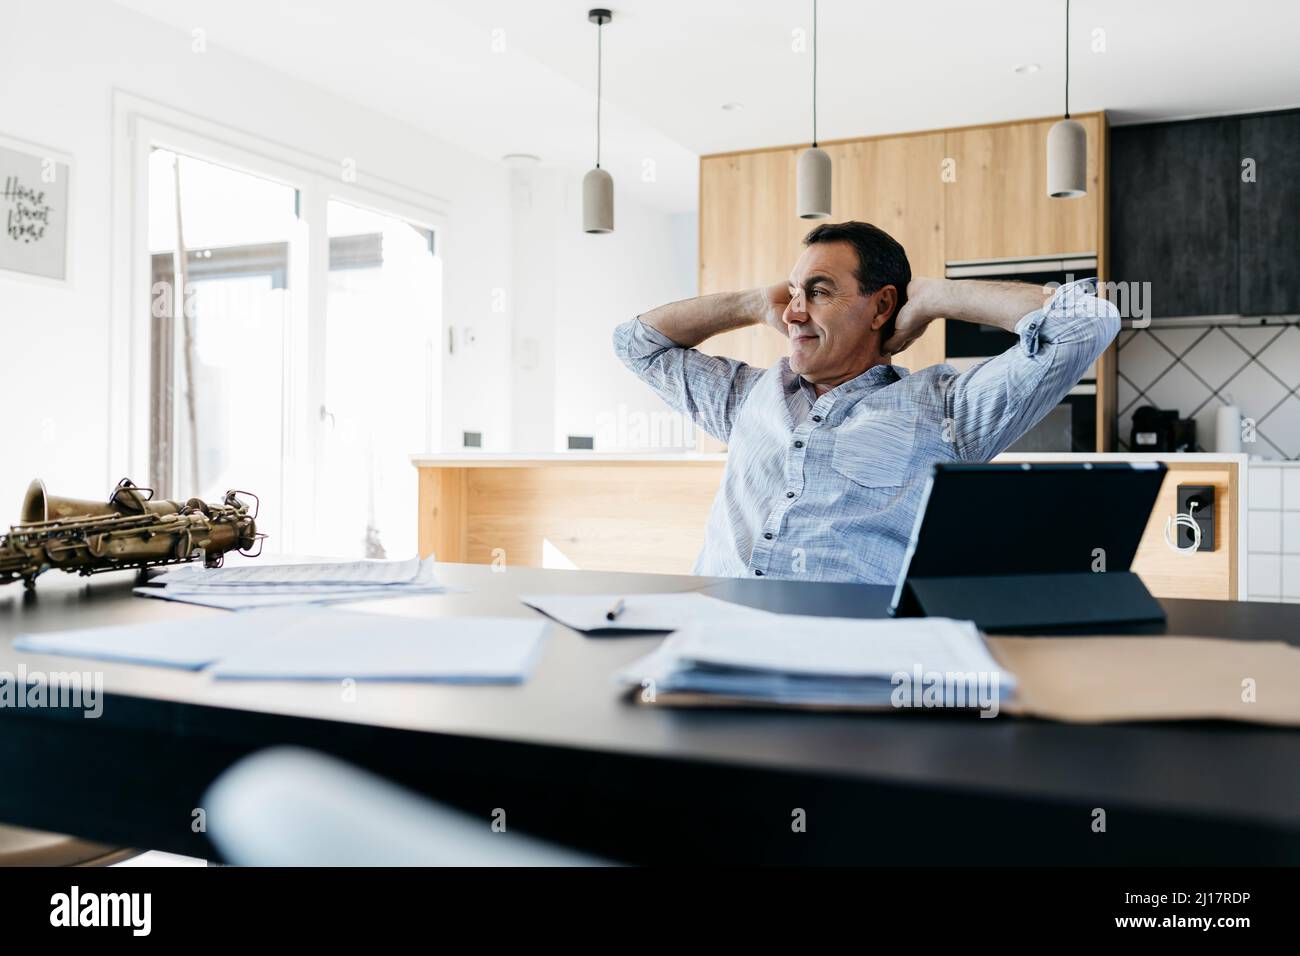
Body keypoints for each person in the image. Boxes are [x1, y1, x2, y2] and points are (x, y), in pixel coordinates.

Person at [613, 220, 1119, 583]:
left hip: (850, 654)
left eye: (819, 292)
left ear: (881, 306)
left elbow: (1087, 323)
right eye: (792, 293)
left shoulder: (946, 411)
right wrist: (751, 304)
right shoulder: (746, 398)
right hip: (716, 635)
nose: (792, 313)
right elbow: (635, 344)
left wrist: (936, 297)